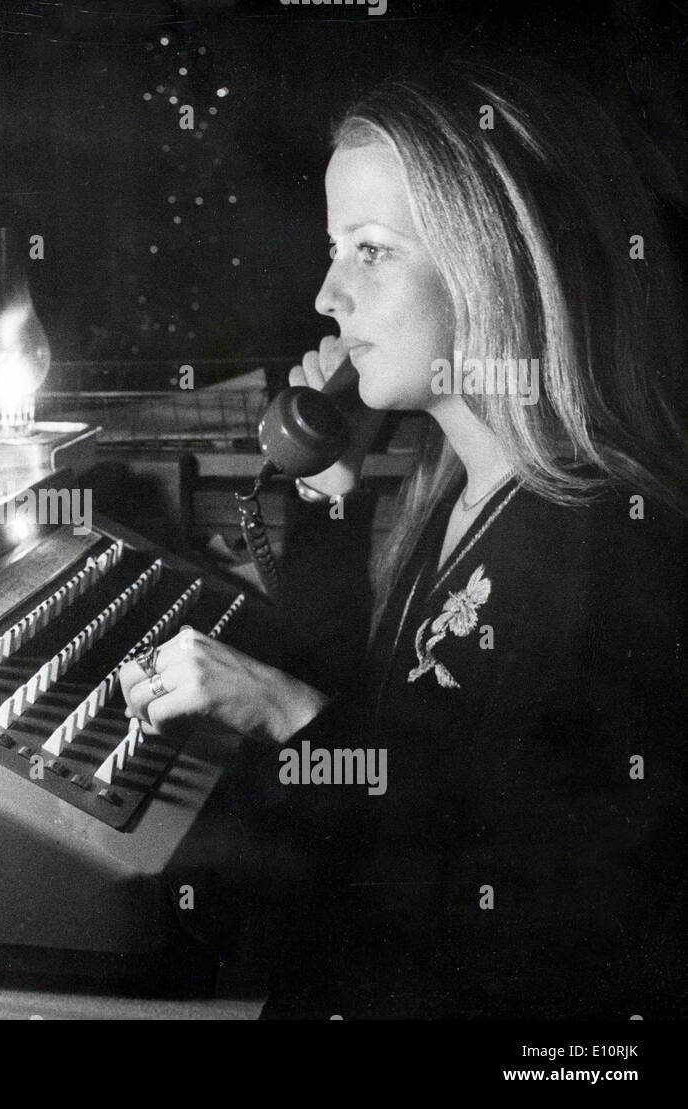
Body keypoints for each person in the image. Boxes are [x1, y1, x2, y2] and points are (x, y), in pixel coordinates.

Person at [120, 62, 687, 1019]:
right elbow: (386, 733)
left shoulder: (613, 552)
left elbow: (526, 938)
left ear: (493, 263)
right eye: (335, 248)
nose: (328, 295)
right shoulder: (467, 490)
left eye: (371, 250)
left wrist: (286, 712)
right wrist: (328, 488)